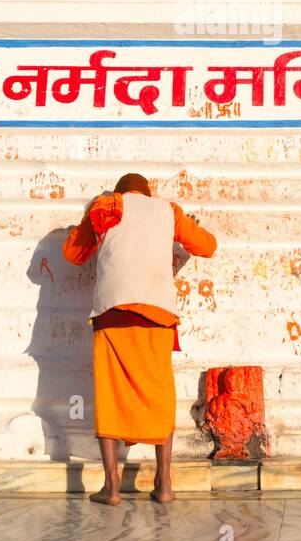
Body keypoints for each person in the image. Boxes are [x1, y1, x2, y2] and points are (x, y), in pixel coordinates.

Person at [63, 173, 217, 506]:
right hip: (157, 317)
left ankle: (112, 488)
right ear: (147, 194)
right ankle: (164, 485)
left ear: (121, 192)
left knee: (110, 395)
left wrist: (88, 218)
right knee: (159, 394)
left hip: (113, 315)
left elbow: (73, 254)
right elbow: (208, 246)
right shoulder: (168, 210)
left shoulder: (107, 206)